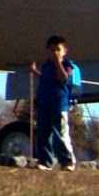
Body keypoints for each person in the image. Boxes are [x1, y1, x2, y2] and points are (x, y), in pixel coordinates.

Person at [30, 34, 81, 169]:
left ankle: (67, 161)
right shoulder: (47, 66)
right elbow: (45, 80)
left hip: (59, 104)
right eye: (52, 50)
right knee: (43, 134)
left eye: (58, 49)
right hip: (45, 103)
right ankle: (45, 161)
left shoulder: (67, 65)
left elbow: (63, 78)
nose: (55, 53)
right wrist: (35, 72)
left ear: (64, 51)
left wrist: (58, 62)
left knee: (60, 134)